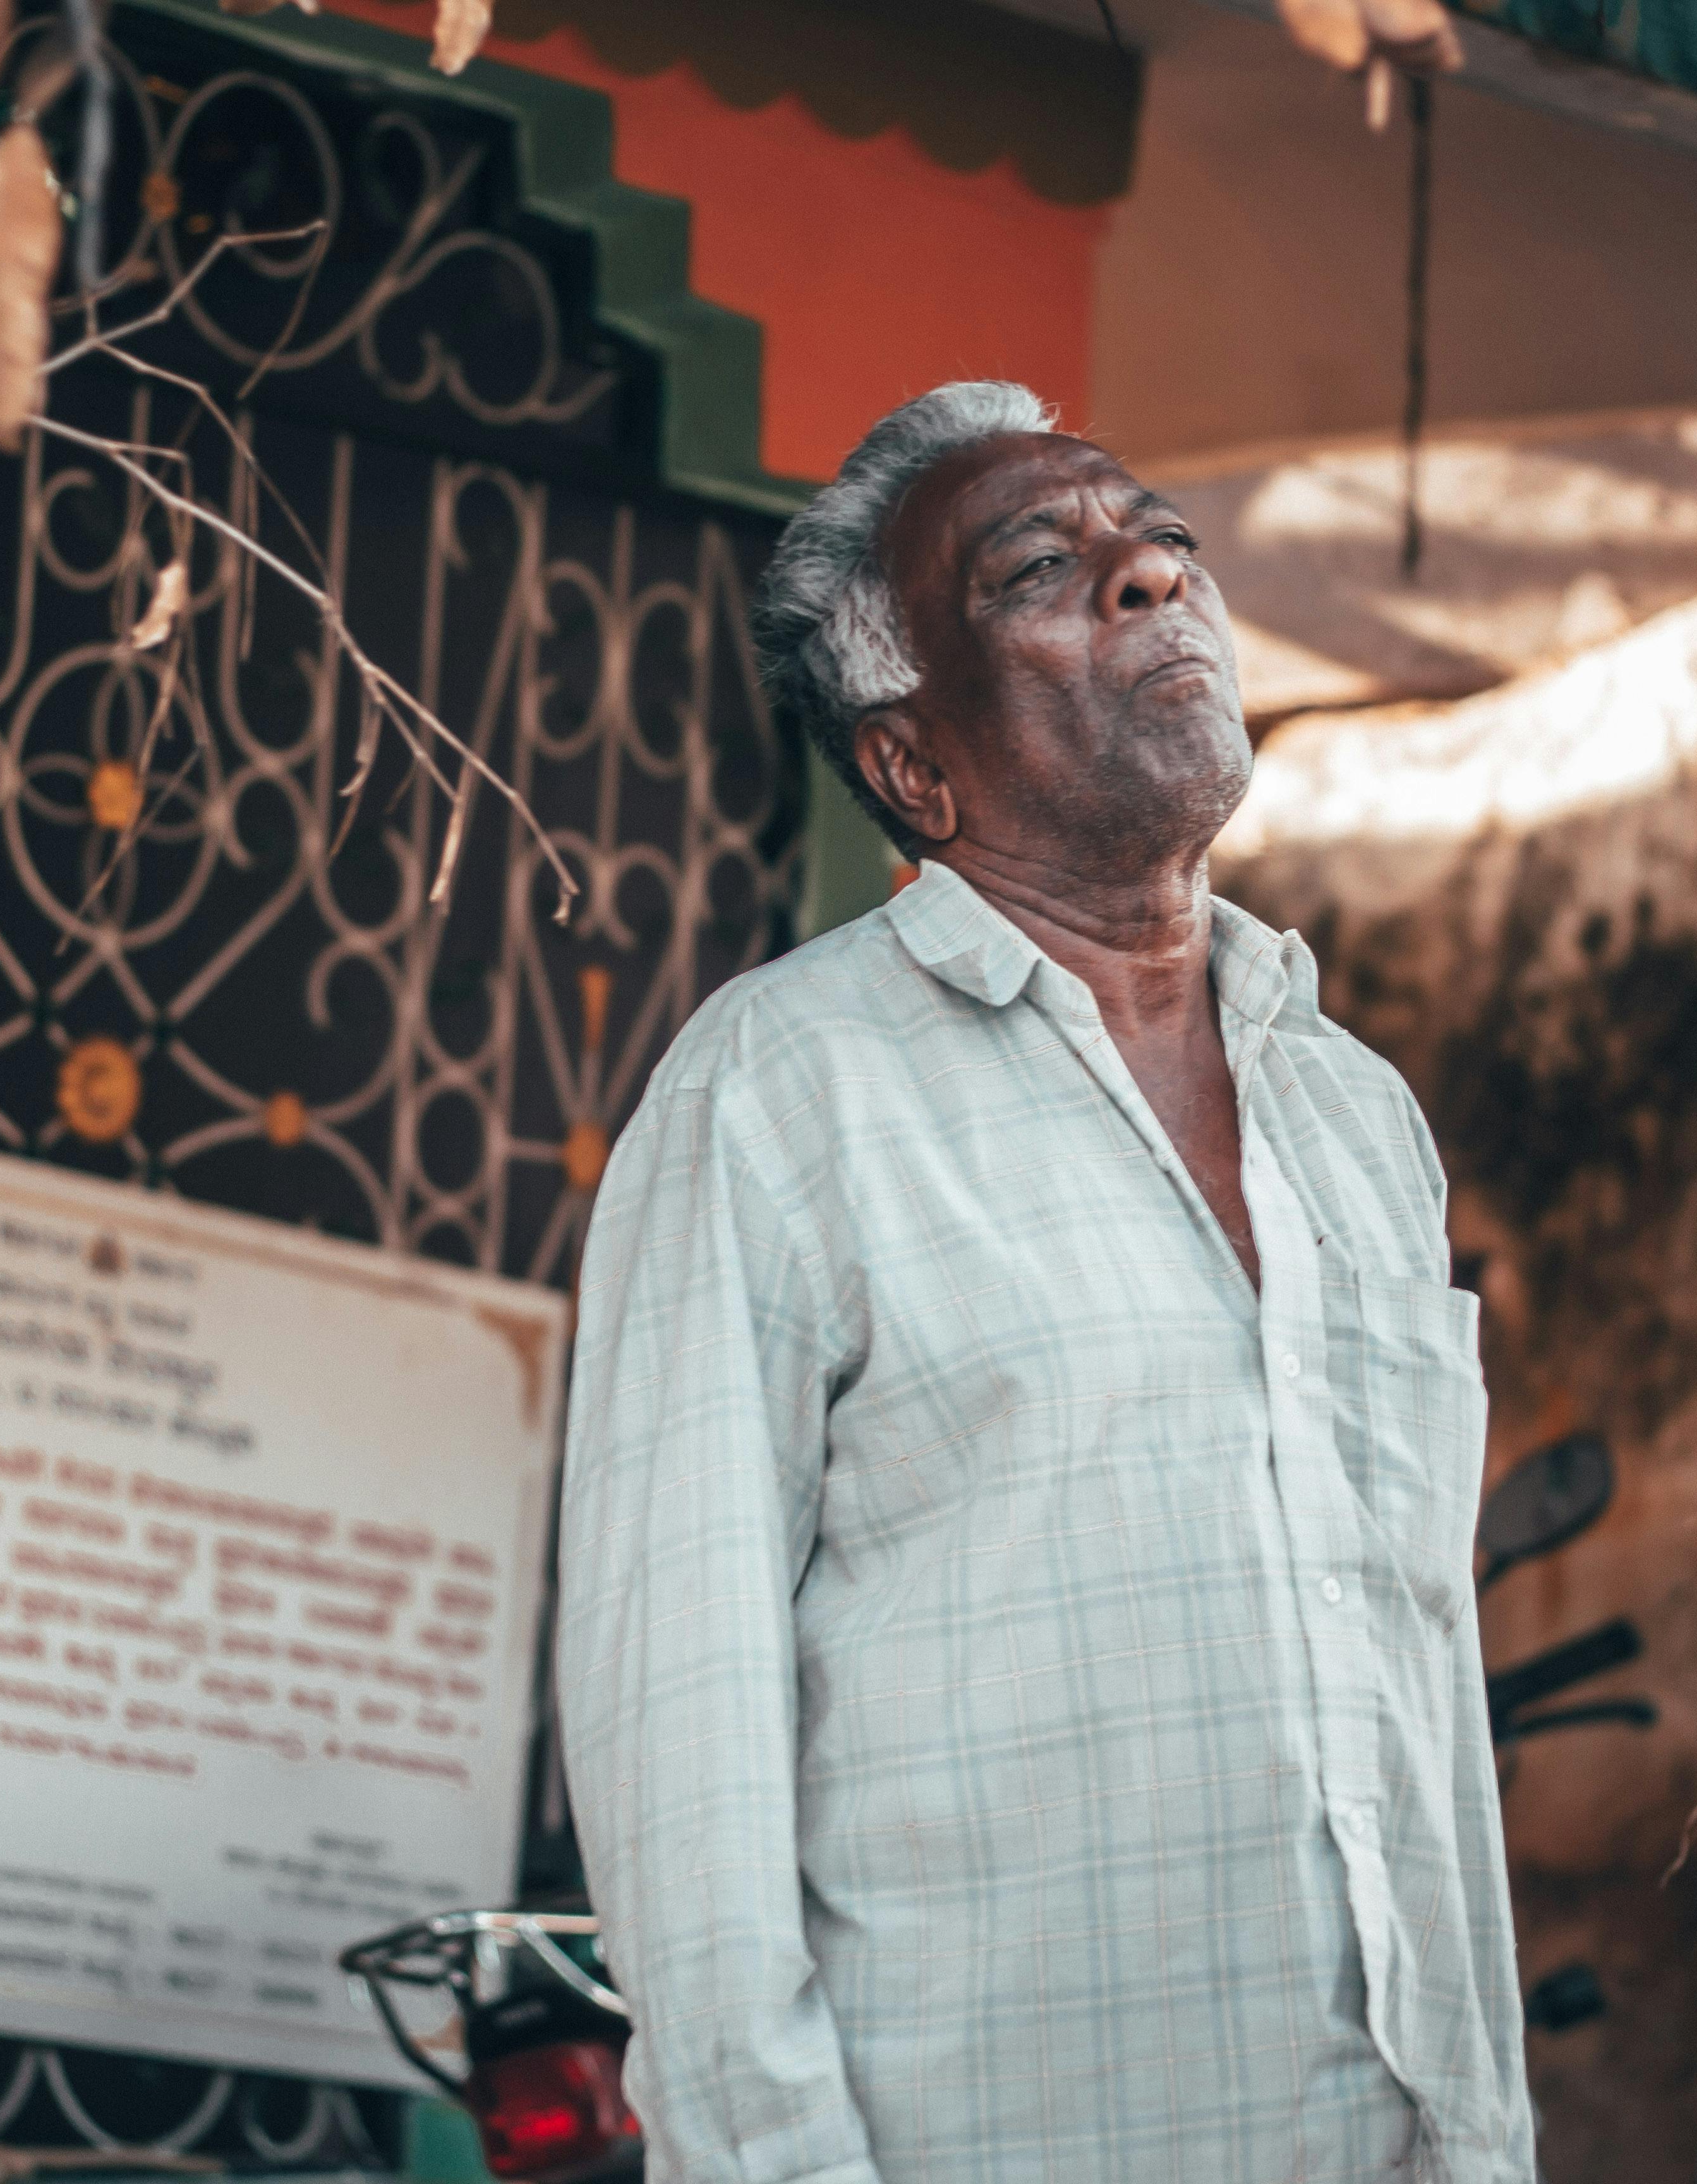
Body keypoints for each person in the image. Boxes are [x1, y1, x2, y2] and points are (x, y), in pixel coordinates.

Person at [552, 383, 1533, 2184]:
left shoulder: (1356, 1117)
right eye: (1044, 570)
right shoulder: (781, 1095)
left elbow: (1422, 1703)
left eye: (1163, 544)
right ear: (915, 767)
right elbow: (676, 1764)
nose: (1152, 579)